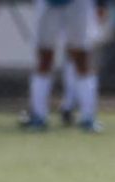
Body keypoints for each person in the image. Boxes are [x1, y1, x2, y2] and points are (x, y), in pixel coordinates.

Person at [22, 0, 104, 131]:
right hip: (48, 4)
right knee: (45, 58)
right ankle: (38, 116)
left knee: (81, 58)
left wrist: (101, 4)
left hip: (78, 4)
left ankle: (87, 118)